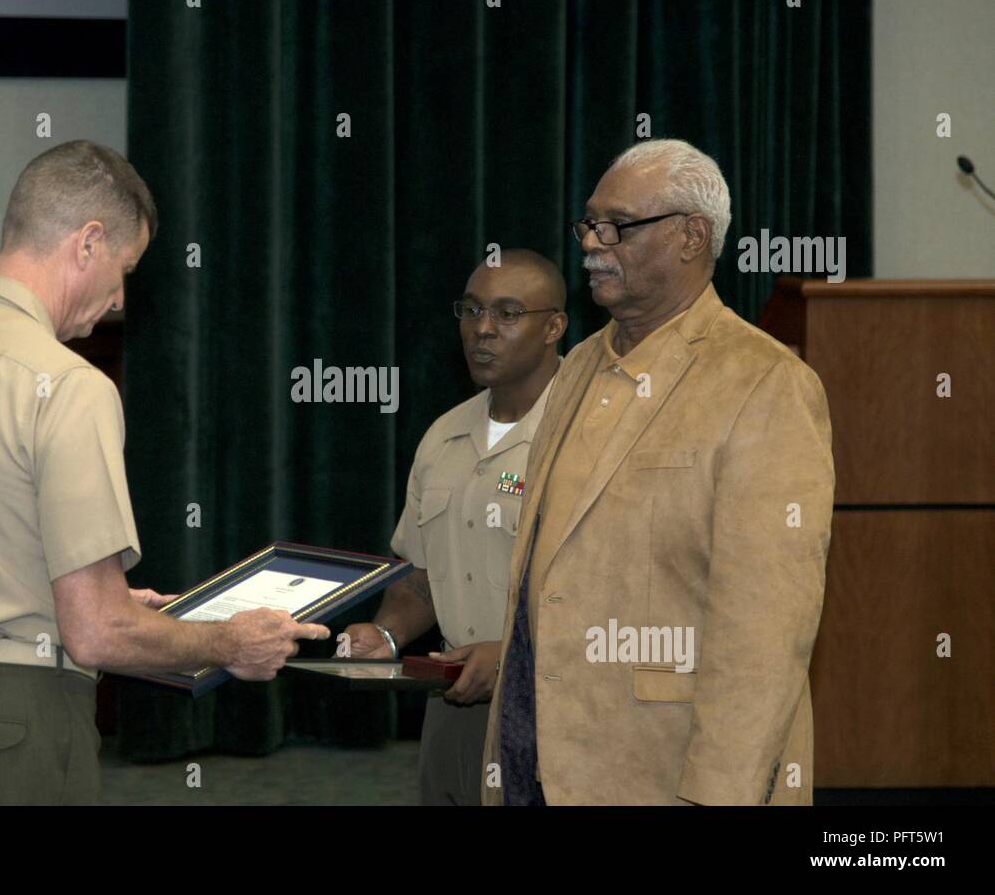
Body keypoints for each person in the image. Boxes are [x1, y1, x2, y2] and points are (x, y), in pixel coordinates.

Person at [0, 141, 326, 805]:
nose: (119, 299)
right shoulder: (69, 385)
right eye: (124, 269)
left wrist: (58, 601)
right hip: (11, 731)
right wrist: (228, 641)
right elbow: (97, 631)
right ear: (87, 242)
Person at [484, 139, 834, 805]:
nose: (592, 242)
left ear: (690, 237)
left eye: (617, 225)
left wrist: (717, 794)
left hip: (663, 774)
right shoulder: (578, 365)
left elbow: (764, 631)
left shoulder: (764, 383)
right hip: (534, 760)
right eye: (589, 223)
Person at [344, 249, 565, 805]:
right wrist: (388, 634)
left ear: (554, 327)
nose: (483, 329)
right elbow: (421, 573)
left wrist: (515, 653)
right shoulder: (443, 436)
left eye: (508, 313)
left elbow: (616, 586)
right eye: (471, 310)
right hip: (455, 702)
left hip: (557, 704)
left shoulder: (587, 434)